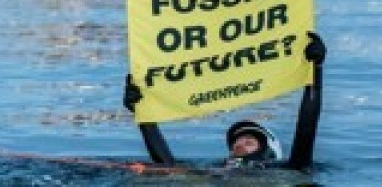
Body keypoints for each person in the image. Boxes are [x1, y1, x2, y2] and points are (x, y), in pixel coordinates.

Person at [123, 31, 326, 170]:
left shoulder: (291, 168)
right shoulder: (214, 170)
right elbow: (167, 167)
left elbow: (306, 129)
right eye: (237, 142)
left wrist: (314, 71)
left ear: (269, 152)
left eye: (249, 142)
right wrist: (143, 112)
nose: (239, 145)